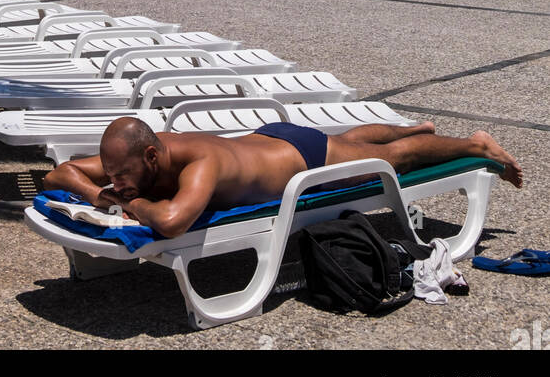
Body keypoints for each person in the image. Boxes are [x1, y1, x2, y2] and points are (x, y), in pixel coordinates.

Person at [43, 115, 523, 240]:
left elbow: (171, 223)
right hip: (265, 141)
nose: (117, 181)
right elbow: (57, 174)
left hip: (296, 155)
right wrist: (99, 191)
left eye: (124, 176)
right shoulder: (134, 155)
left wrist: (123, 202)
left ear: (152, 156)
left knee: (393, 159)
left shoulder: (199, 165)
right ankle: (417, 127)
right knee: (350, 140)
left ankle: (474, 144)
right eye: (113, 175)